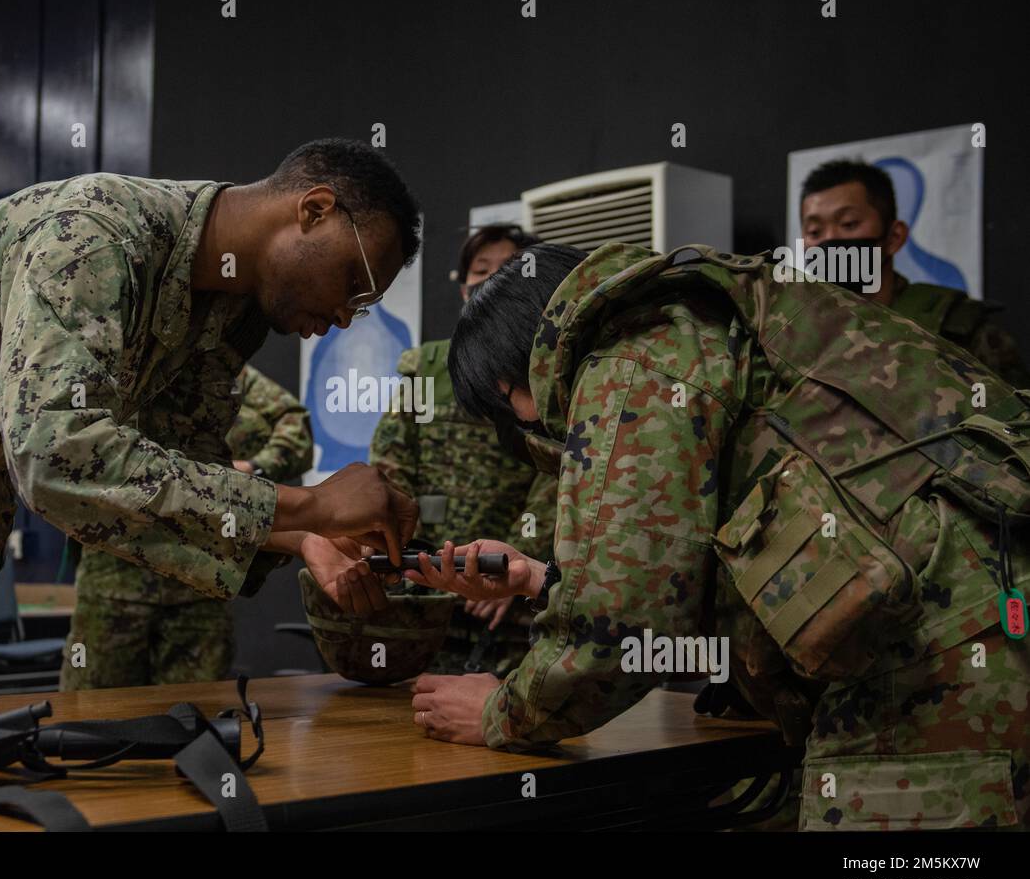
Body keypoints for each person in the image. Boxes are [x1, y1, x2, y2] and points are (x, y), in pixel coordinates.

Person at [318, 240, 1030, 830]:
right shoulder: (697, 318)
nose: (530, 430)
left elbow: (625, 622)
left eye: (511, 410)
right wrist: (540, 578)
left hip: (944, 669)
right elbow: (706, 563)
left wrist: (502, 709)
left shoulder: (629, 359)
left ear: (514, 376)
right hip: (979, 623)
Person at [0, 138, 419, 701]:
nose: (344, 317)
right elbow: (55, 454)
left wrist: (300, 538)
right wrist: (311, 507)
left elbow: (179, 469)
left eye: (363, 306)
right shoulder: (96, 234)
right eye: (353, 284)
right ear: (313, 210)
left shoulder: (227, 311)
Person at [369, 224, 555, 676]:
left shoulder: (548, 372)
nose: (488, 280)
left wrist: (519, 562)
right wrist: (402, 554)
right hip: (427, 585)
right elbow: (389, 465)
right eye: (480, 270)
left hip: (504, 589)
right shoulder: (425, 370)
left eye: (507, 269)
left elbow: (558, 477)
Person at [63, 363, 313, 688]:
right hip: (116, 580)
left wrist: (256, 469)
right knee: (90, 713)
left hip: (199, 579)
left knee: (197, 714)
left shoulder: (221, 365)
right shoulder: (120, 357)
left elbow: (296, 425)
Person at [800, 158, 1029, 385]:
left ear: (894, 237)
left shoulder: (955, 330)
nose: (829, 239)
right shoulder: (792, 335)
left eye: (848, 224)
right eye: (815, 231)